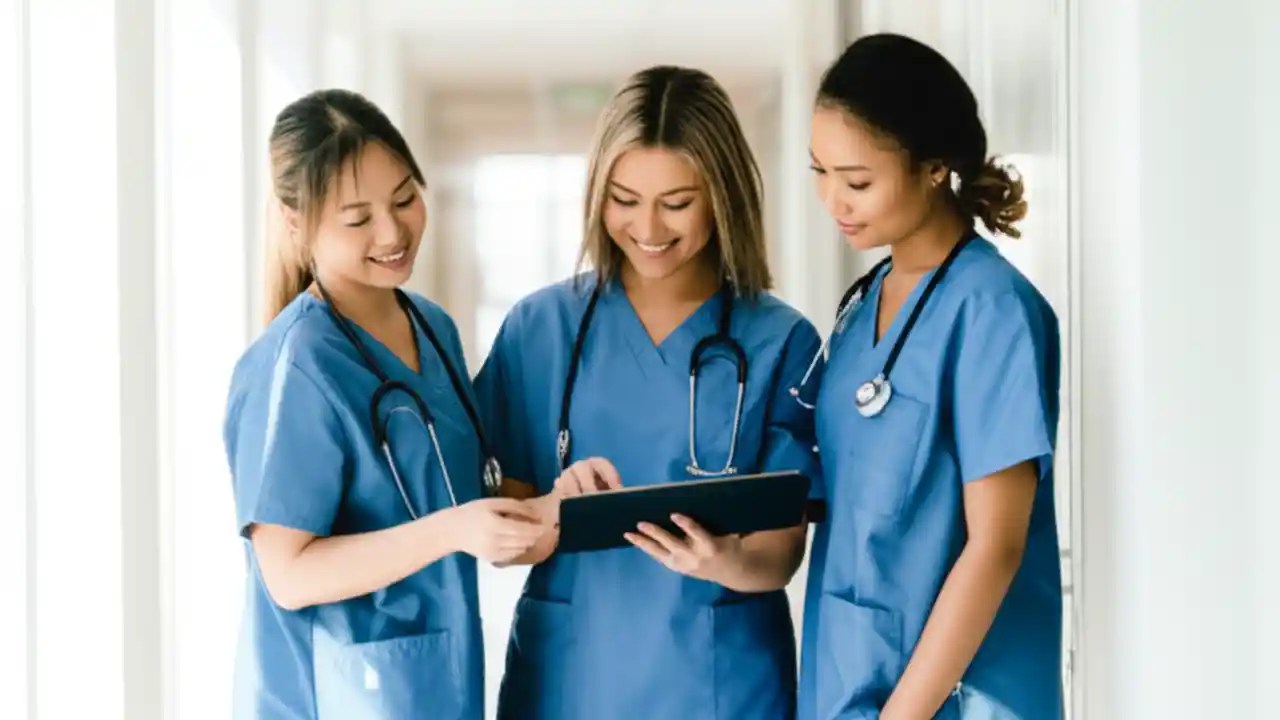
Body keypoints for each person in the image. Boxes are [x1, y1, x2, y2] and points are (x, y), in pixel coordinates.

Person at [473, 65, 822, 719]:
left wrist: (722, 560)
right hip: (569, 681)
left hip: (718, 685)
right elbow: (491, 527)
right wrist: (550, 508)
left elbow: (782, 552)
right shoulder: (540, 330)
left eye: (678, 201)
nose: (648, 227)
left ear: (723, 195)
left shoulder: (781, 342)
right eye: (624, 198)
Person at [223, 88, 548, 719]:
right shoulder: (298, 365)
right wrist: (455, 530)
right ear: (296, 224)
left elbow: (452, 490)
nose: (394, 231)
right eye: (357, 217)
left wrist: (551, 501)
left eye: (404, 197)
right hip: (337, 693)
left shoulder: (432, 328)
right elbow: (289, 576)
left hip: (433, 682)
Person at [797, 34, 1062, 719]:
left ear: (934, 167)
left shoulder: (991, 309)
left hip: (958, 697)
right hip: (851, 678)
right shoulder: (862, 307)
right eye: (819, 172)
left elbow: (996, 546)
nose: (834, 200)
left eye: (857, 181)